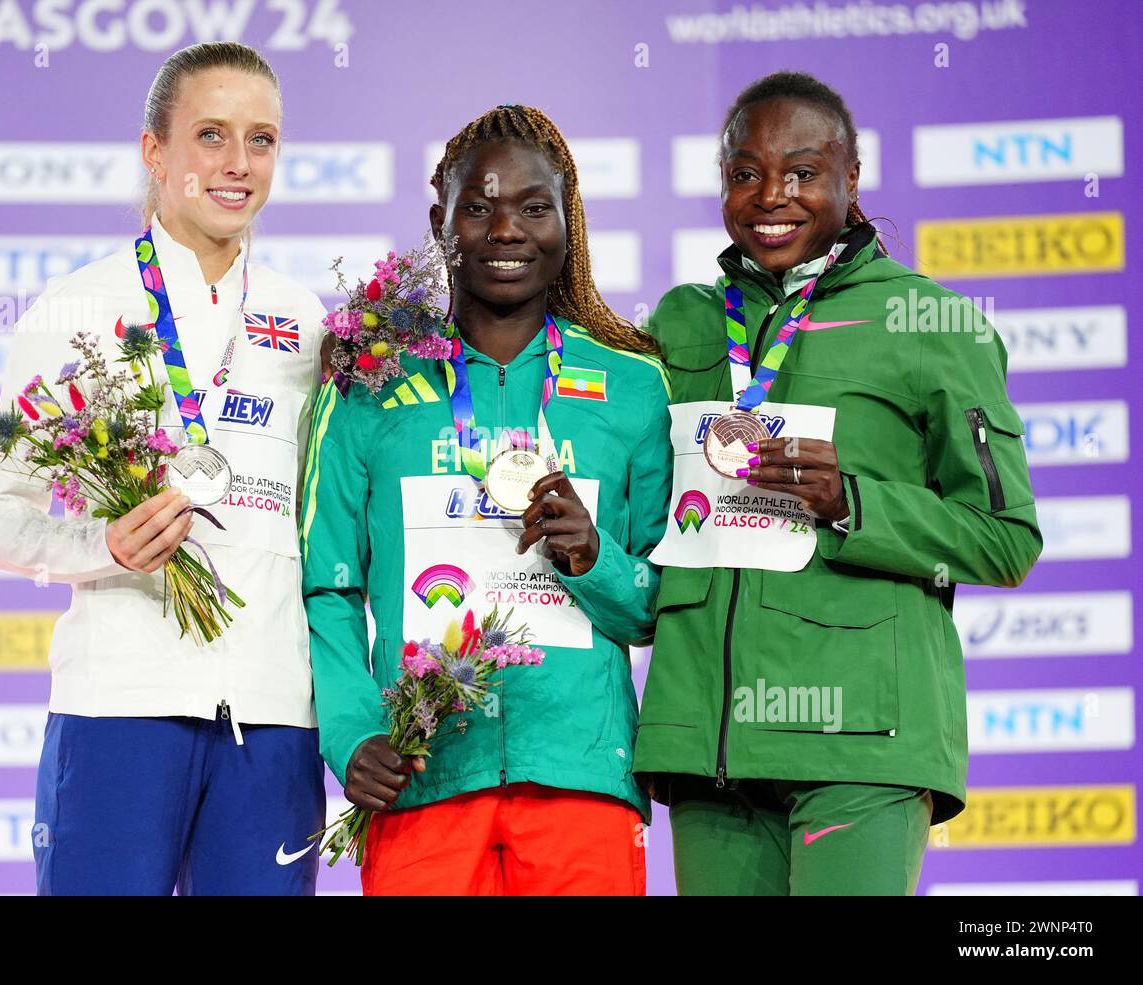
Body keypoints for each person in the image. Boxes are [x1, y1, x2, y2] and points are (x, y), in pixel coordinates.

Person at [633, 71, 1041, 896]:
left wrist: (853, 501)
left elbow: (1006, 537)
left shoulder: (931, 324)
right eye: (745, 173)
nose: (771, 195)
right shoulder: (679, 323)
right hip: (707, 742)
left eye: (803, 172)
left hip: (863, 739)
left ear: (852, 180)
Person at [0, 41, 327, 896]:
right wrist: (106, 545)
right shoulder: (78, 306)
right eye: (211, 135)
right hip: (118, 708)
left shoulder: (307, 321)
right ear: (154, 150)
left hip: (273, 719)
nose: (239, 164)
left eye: (263, 139)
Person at [301, 105, 672, 896]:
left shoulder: (634, 389)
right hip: (423, 775)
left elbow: (661, 603)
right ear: (441, 222)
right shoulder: (371, 385)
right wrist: (354, 732)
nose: (507, 230)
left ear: (567, 223)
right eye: (479, 207)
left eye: (534, 208)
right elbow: (327, 585)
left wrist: (593, 557)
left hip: (581, 776)